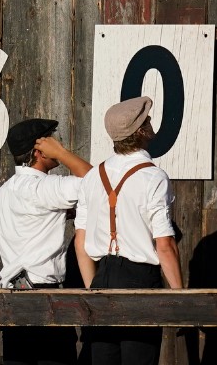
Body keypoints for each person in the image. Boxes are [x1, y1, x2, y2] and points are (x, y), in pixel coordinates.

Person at [70, 96, 183, 365]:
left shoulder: (93, 176)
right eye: (148, 120)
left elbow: (80, 241)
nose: (151, 122)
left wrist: (93, 289)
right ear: (141, 131)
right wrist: (180, 297)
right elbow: (164, 244)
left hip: (101, 279)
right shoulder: (153, 177)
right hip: (139, 280)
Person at [0, 117, 84, 365]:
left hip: (12, 299)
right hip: (43, 298)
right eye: (52, 140)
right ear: (39, 150)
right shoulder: (44, 188)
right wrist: (63, 154)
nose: (58, 144)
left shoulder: (4, 192)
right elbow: (97, 183)